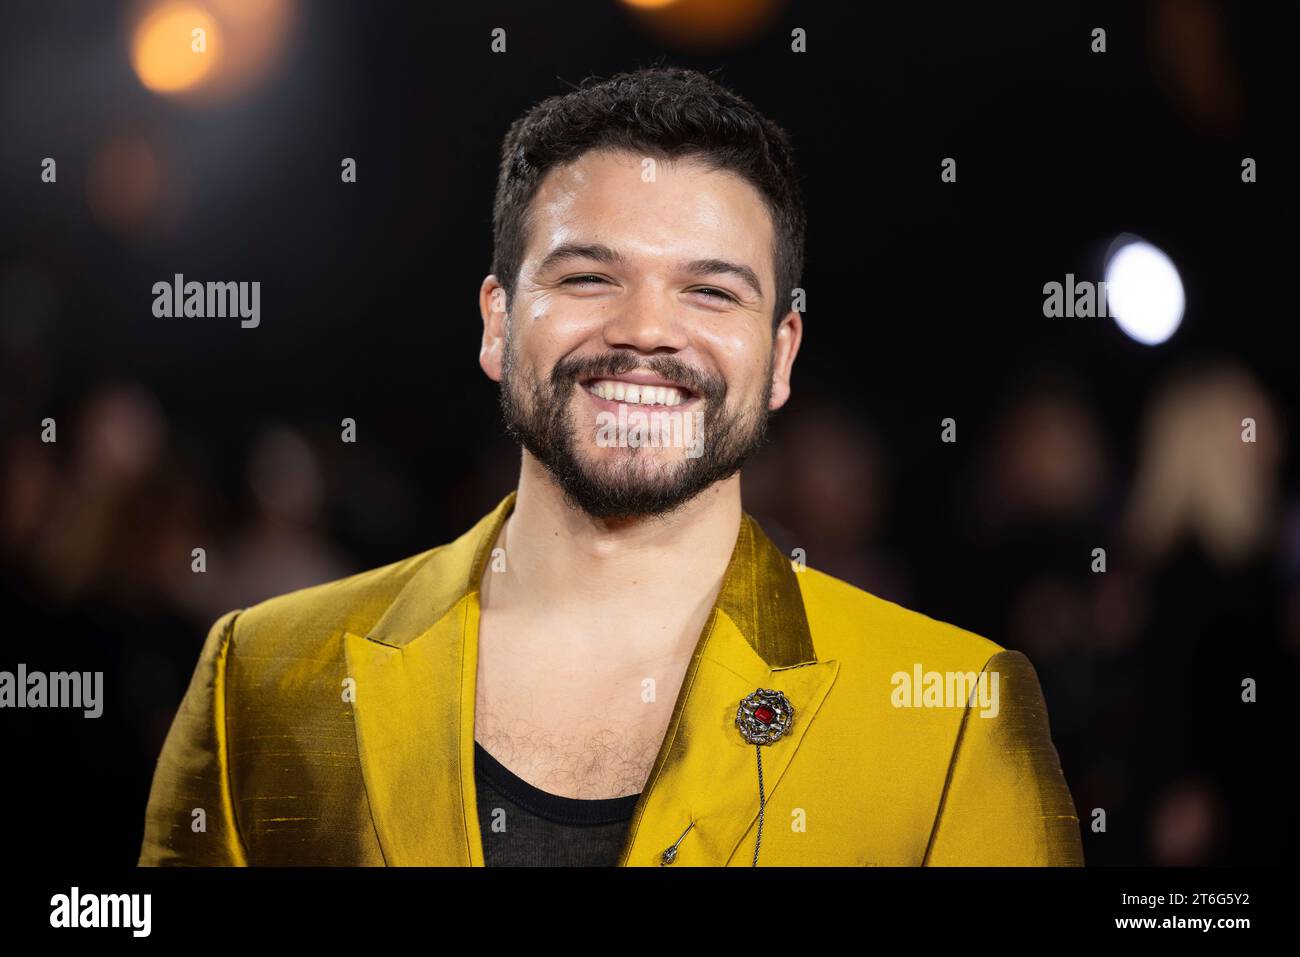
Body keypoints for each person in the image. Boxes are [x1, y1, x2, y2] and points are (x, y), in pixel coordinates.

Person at [138, 66, 1083, 866]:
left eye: (711, 291)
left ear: (782, 354)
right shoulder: (260, 679)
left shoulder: (954, 713)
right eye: (588, 276)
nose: (642, 331)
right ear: (498, 323)